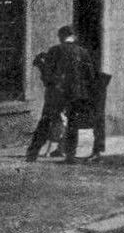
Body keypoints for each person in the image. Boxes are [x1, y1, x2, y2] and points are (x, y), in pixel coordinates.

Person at [26, 25, 94, 163]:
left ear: (61, 37)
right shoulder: (83, 53)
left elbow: (47, 77)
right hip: (76, 94)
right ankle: (70, 155)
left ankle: (32, 154)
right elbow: (90, 77)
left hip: (56, 94)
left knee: (45, 121)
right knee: (73, 124)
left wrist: (41, 65)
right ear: (74, 37)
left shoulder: (55, 50)